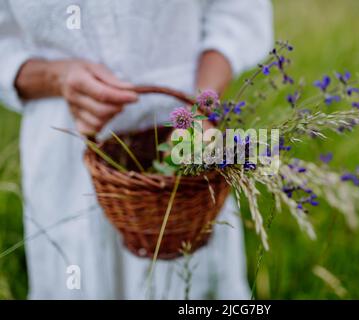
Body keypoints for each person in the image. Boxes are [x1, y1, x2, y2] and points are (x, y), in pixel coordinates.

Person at [0, 1, 273, 299]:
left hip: (181, 140)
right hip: (65, 146)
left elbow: (237, 10)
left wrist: (199, 106)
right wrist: (56, 77)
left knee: (185, 281)